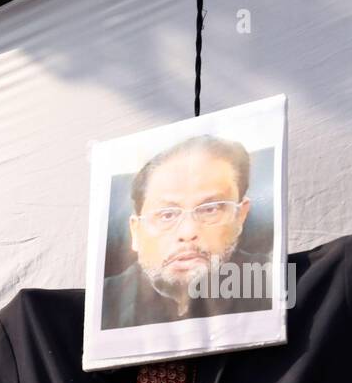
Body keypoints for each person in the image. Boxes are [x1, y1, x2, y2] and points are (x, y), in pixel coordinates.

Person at [101, 134, 273, 330]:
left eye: (210, 209)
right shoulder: (102, 305)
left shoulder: (273, 284)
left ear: (240, 216)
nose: (188, 231)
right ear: (136, 231)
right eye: (167, 215)